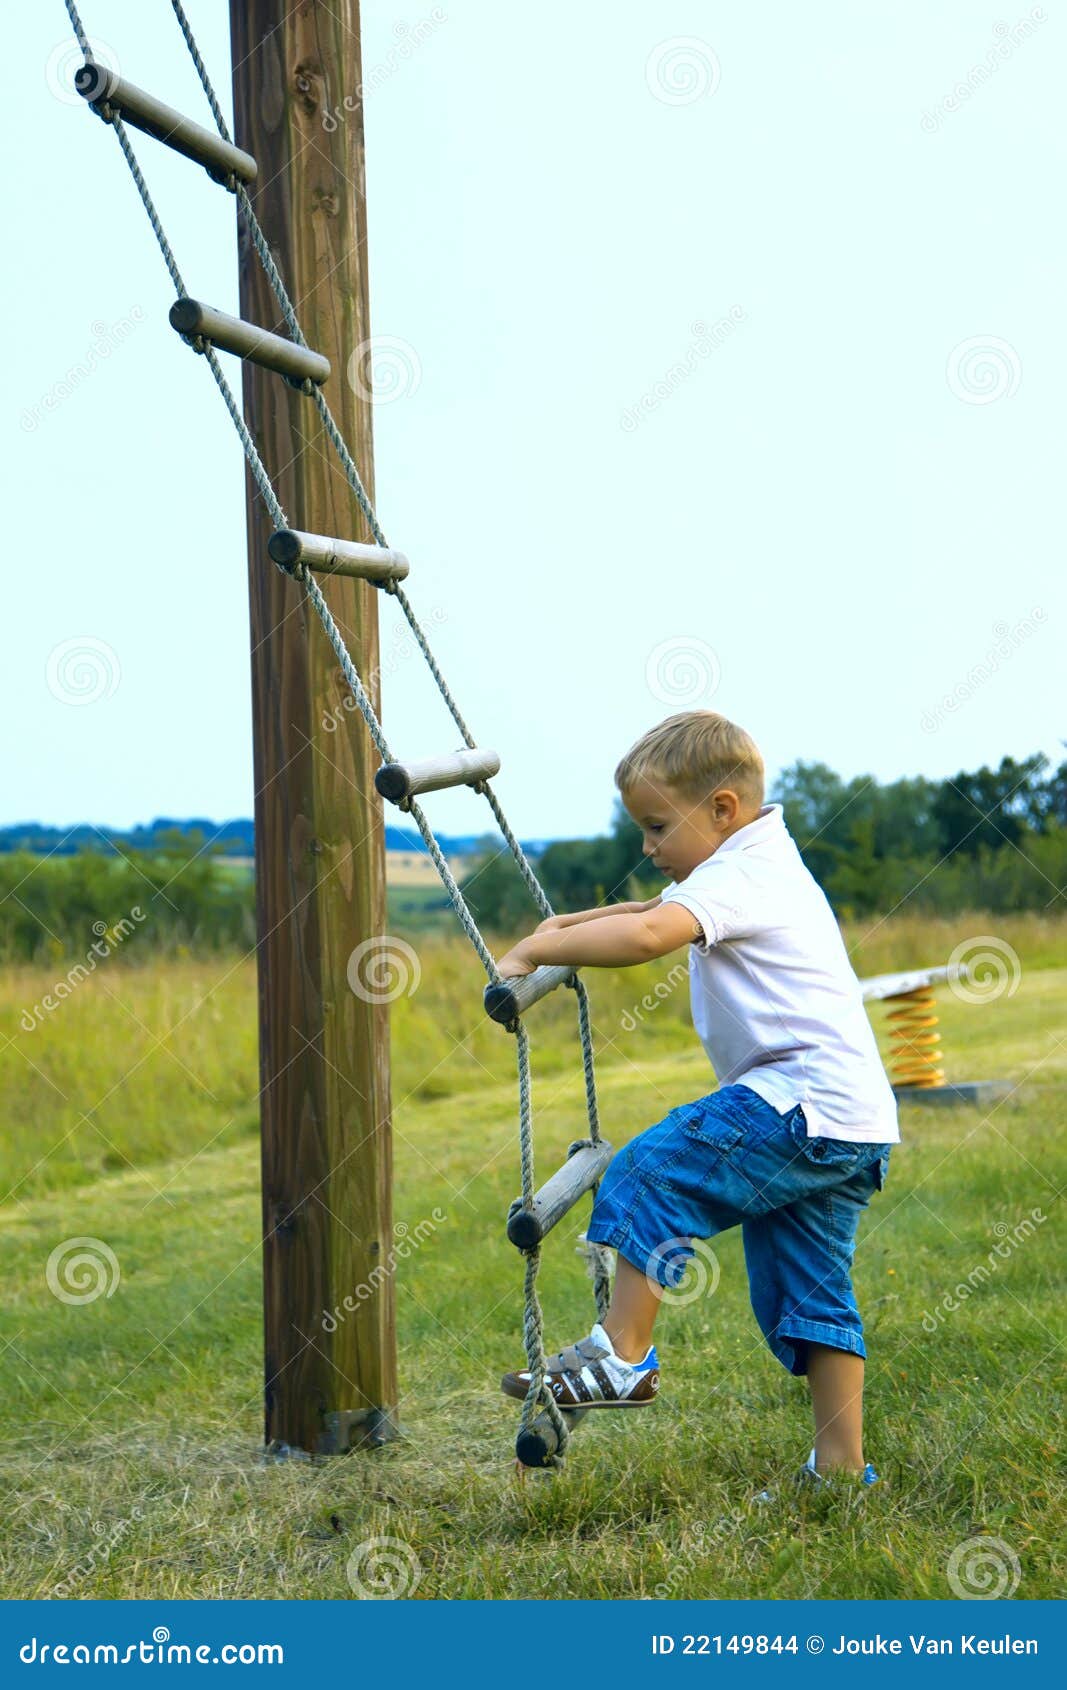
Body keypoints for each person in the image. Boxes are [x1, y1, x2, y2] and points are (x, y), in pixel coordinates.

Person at [496, 709, 897, 1484]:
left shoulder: (740, 874)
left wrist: (531, 950)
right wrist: (566, 922)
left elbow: (648, 939)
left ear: (721, 810)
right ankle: (841, 1468)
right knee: (812, 1286)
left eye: (654, 827)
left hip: (796, 1103)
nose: (646, 848)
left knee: (651, 1170)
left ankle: (623, 1356)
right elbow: (644, 914)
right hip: (850, 1121)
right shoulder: (752, 861)